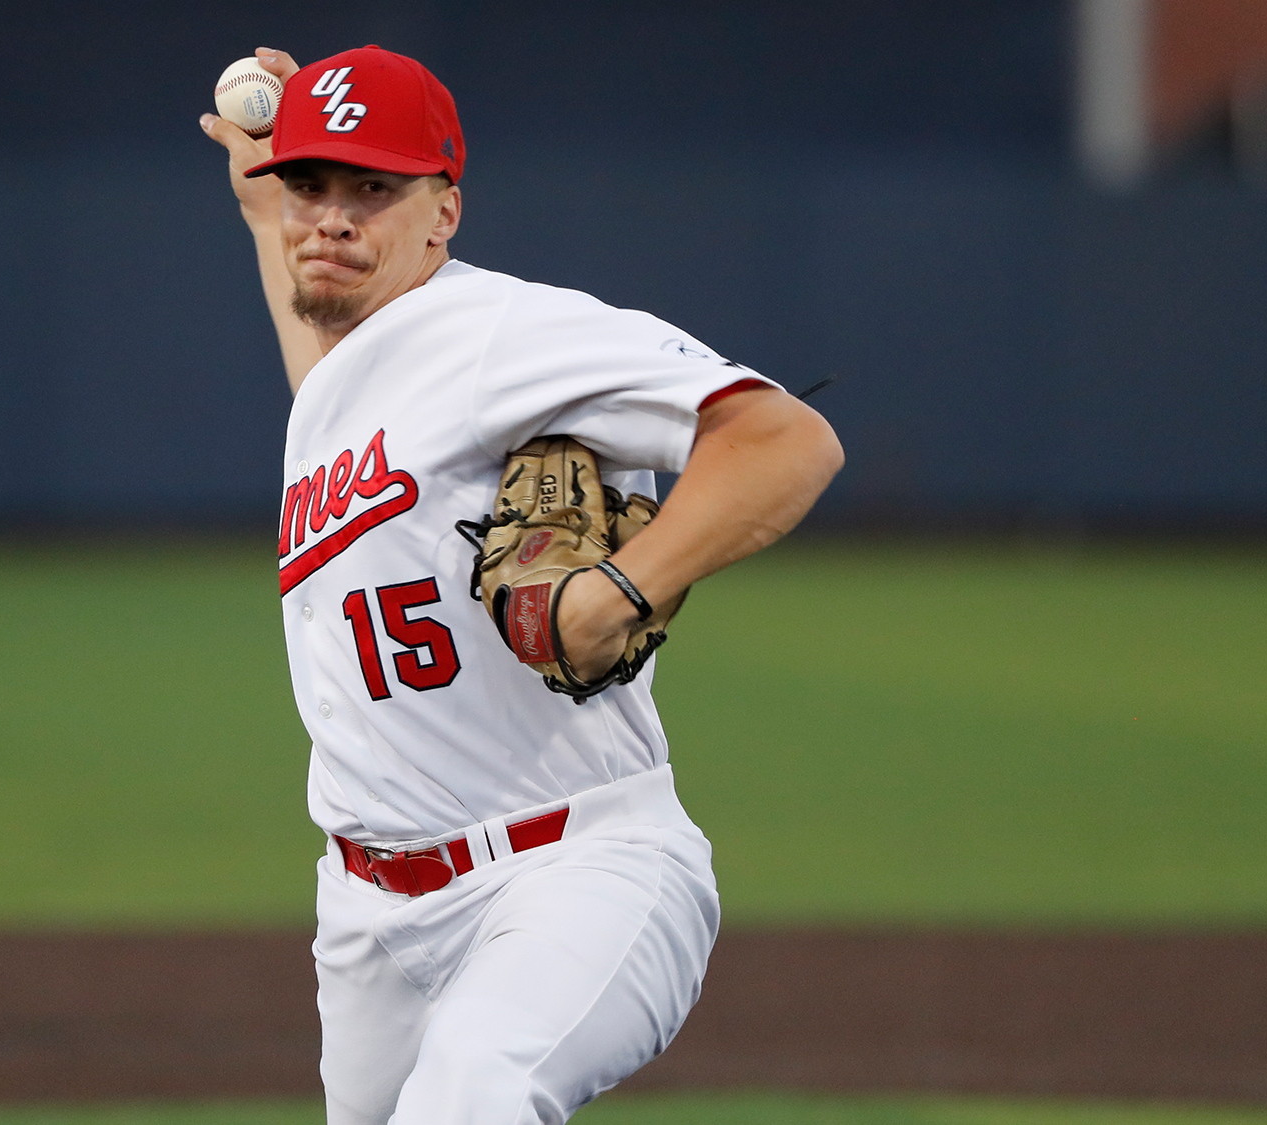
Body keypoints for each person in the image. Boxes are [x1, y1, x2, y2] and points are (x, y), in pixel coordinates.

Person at [199, 43, 842, 1125]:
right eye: (310, 185)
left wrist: (619, 590)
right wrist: (267, 218)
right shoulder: (351, 364)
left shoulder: (505, 334)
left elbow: (787, 440)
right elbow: (330, 380)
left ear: (444, 212)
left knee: (476, 1097)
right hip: (365, 916)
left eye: (373, 189)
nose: (332, 219)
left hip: (570, 872)